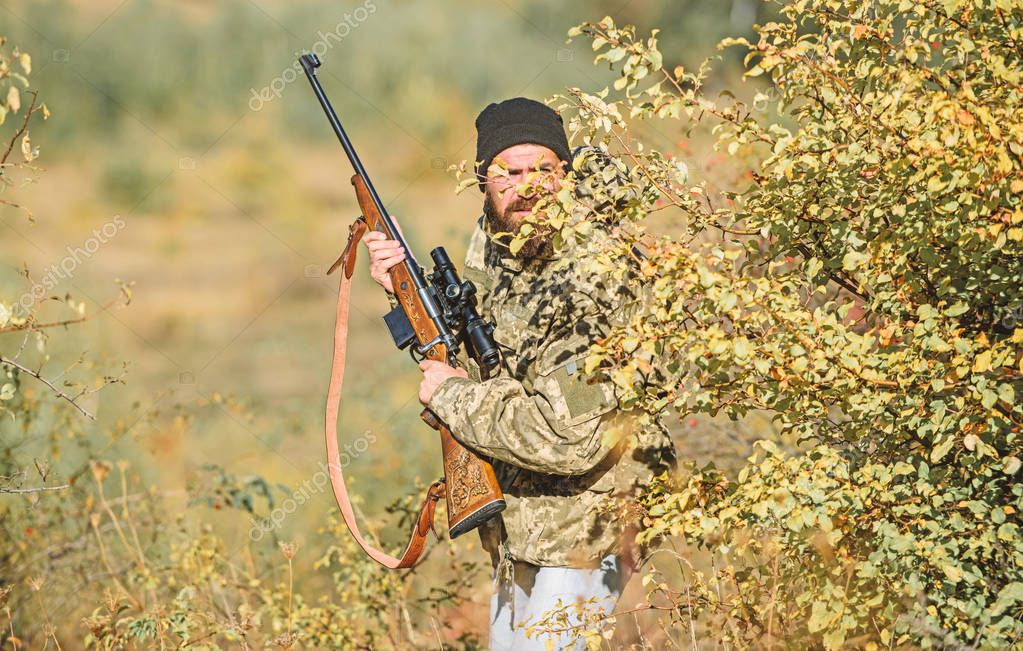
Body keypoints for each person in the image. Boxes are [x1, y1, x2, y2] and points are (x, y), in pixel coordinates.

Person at [363, 97, 675, 650]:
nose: (526, 186)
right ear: (482, 179)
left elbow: (568, 436)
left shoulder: (597, 272)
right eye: (508, 171)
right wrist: (410, 298)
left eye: (543, 170)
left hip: (593, 521)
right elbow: (494, 357)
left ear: (567, 174)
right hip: (525, 521)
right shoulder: (499, 240)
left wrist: (453, 399)